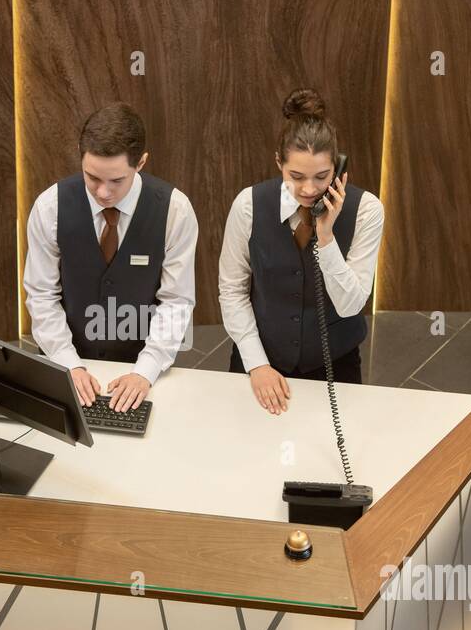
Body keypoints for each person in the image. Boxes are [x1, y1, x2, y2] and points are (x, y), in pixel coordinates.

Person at [23, 102, 198, 411]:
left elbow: (176, 301)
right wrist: (68, 363)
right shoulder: (50, 207)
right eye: (92, 177)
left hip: (141, 365)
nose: (103, 192)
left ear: (141, 162)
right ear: (80, 153)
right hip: (66, 361)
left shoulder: (175, 211)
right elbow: (41, 294)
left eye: (116, 180)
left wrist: (145, 371)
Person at [219, 87, 384, 414]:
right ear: (278, 162)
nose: (309, 189)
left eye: (322, 176)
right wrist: (257, 365)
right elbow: (232, 290)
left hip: (335, 362)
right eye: (296, 176)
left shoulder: (367, 210)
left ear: (338, 167)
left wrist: (326, 237)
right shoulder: (248, 206)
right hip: (260, 355)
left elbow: (351, 305)